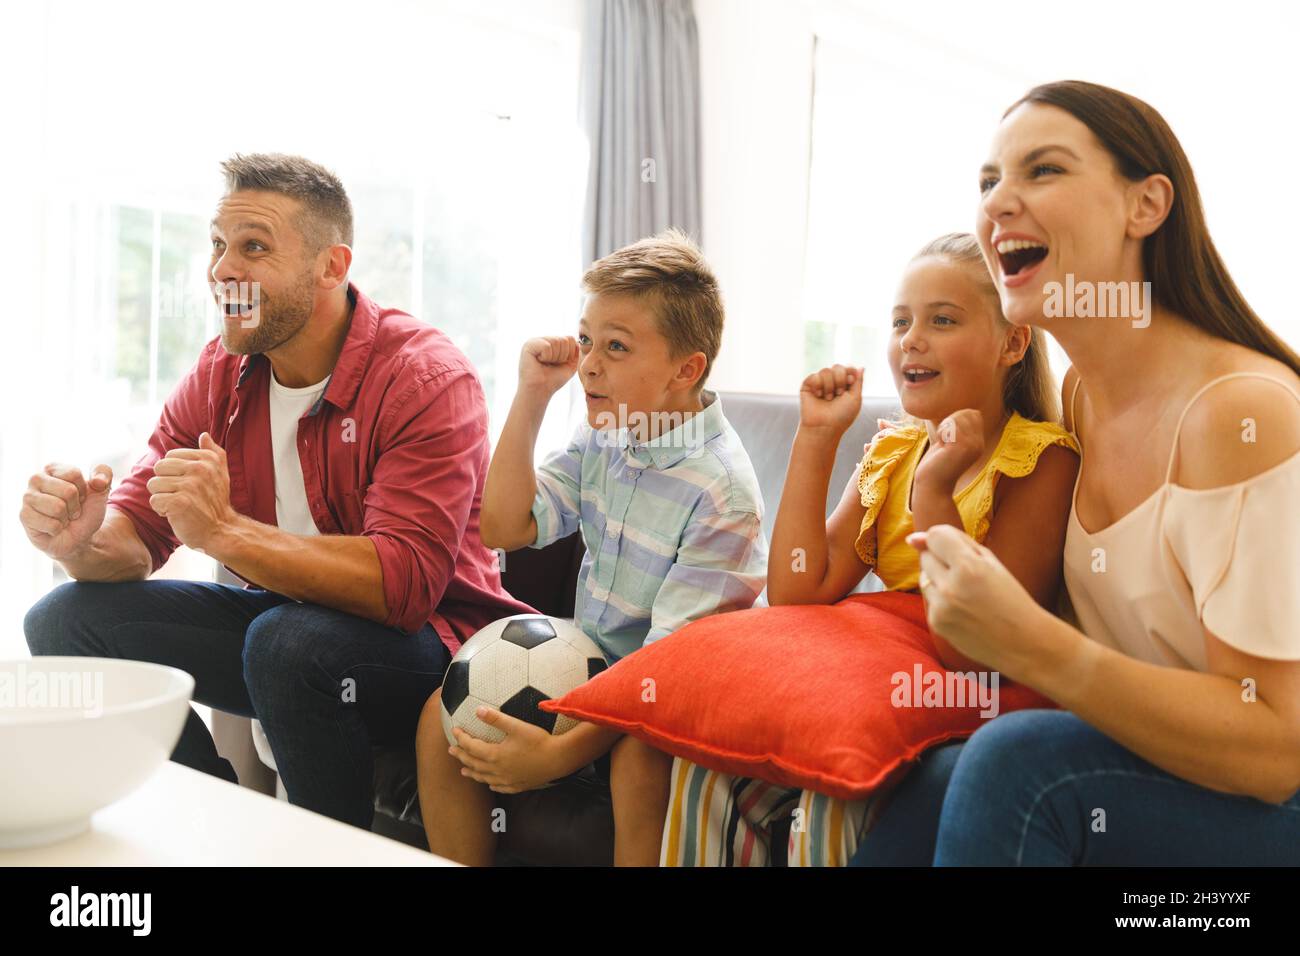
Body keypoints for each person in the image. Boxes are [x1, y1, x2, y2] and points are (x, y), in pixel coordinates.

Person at [856, 80, 1300, 866]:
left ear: (1146, 205)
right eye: (988, 181)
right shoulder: (1083, 396)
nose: (998, 204)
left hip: (1273, 797)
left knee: (1016, 766)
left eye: (1044, 171)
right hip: (1163, 768)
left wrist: (1033, 646)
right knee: (934, 773)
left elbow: (1275, 748)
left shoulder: (1244, 416)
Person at [22, 152, 533, 831]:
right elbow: (135, 542)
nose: (221, 268)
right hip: (285, 631)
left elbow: (403, 585)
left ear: (331, 266)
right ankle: (215, 830)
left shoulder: (426, 378)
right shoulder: (220, 374)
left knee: (286, 641)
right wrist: (82, 541)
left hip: (429, 648)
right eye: (218, 245)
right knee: (62, 619)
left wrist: (227, 533)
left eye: (253, 247)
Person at [662, 232, 1079, 866]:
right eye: (900, 321)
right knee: (707, 774)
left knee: (833, 801)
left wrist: (936, 488)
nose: (912, 338)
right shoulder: (894, 450)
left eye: (942, 320)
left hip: (969, 690)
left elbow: (975, 649)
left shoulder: (1038, 461)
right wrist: (817, 439)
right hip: (884, 688)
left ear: (1012, 343)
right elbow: (800, 588)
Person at [415, 229, 769, 866]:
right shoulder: (607, 433)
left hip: (666, 697)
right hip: (592, 672)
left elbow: (665, 670)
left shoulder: (722, 493)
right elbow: (504, 526)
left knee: (638, 757)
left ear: (686, 369)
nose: (588, 364)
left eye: (615, 347)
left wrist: (557, 754)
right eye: (586, 340)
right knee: (436, 716)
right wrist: (531, 396)